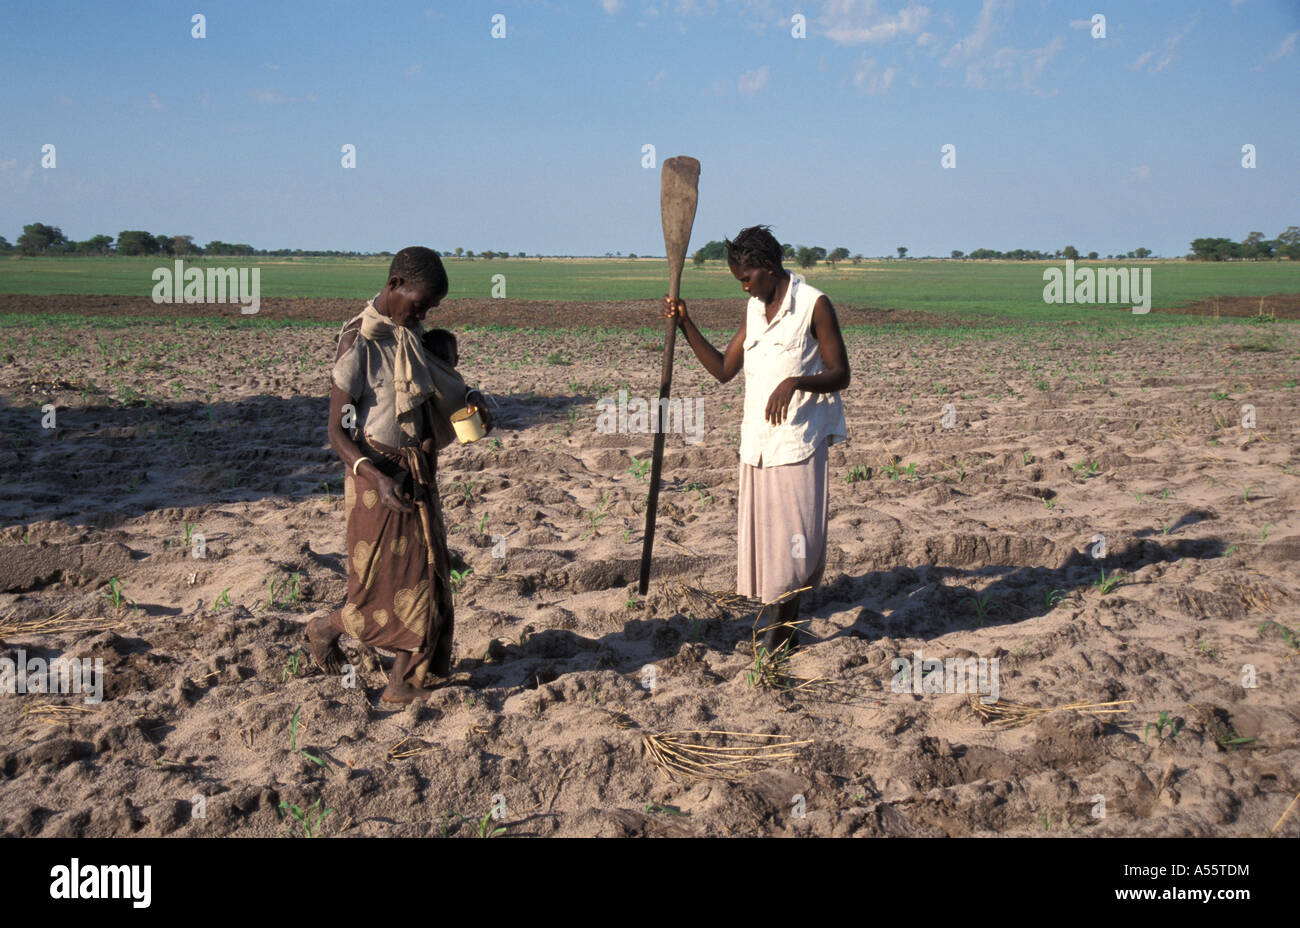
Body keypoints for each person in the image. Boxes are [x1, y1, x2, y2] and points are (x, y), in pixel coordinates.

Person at [308, 247, 493, 703]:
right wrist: (374, 475)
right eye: (419, 304)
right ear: (394, 286)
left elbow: (438, 385)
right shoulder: (359, 342)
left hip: (415, 470)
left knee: (426, 575)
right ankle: (325, 629)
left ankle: (402, 682)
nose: (424, 313)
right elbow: (337, 432)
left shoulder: (410, 333)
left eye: (430, 308)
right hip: (376, 478)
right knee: (380, 584)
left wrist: (472, 398)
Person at [665, 225, 848, 653]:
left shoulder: (813, 305)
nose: (744, 287)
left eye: (747, 278)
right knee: (770, 546)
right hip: (758, 445)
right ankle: (778, 633)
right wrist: (686, 322)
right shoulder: (753, 309)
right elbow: (723, 370)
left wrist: (795, 382)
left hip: (799, 442)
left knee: (796, 544)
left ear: (768, 268)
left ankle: (779, 635)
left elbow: (841, 373)